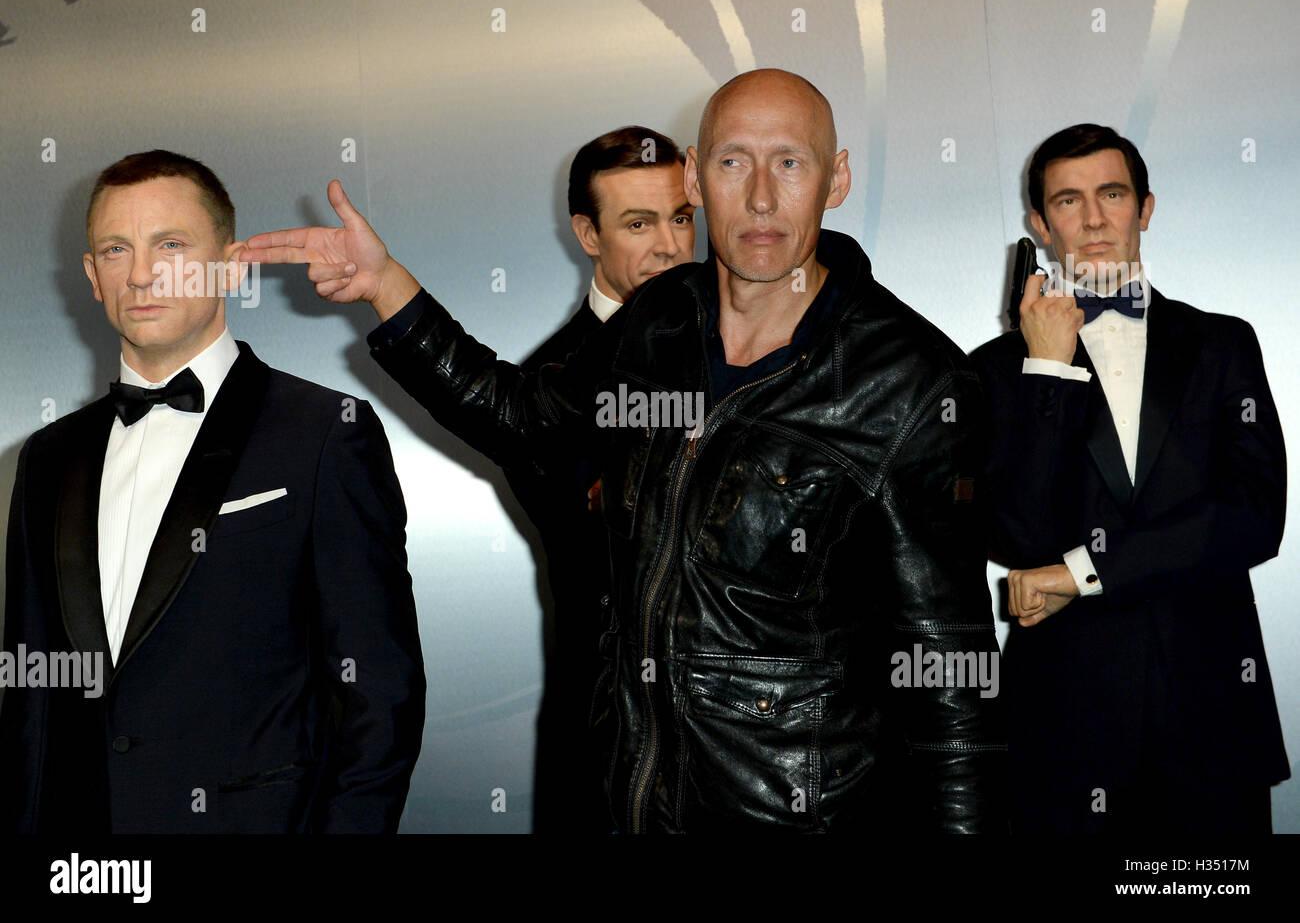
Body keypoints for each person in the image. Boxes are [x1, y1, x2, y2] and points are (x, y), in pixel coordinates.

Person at [245, 69, 1004, 832]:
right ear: (695, 177)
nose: (763, 197)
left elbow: (952, 679)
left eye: (791, 163)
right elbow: (525, 419)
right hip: (633, 807)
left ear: (835, 179)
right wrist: (386, 287)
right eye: (734, 161)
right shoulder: (661, 323)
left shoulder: (909, 382)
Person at [0, 150, 426, 833]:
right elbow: (28, 702)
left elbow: (382, 693)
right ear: (91, 275)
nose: (141, 273)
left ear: (229, 264)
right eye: (116, 249)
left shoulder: (323, 435)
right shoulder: (47, 458)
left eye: (170, 244)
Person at [970, 124, 1289, 833]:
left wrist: (1082, 572)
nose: (1092, 219)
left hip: (1209, 719)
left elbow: (1253, 517)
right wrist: (1048, 370)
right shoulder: (995, 369)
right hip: (1060, 730)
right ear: (1039, 224)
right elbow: (1015, 533)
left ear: (1145, 207)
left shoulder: (1223, 343)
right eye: (1067, 200)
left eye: (1111, 194)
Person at [504, 126, 694, 832]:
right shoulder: (544, 388)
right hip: (610, 748)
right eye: (638, 223)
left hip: (752, 755)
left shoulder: (755, 351)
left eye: (681, 217)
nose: (671, 245)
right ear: (588, 234)